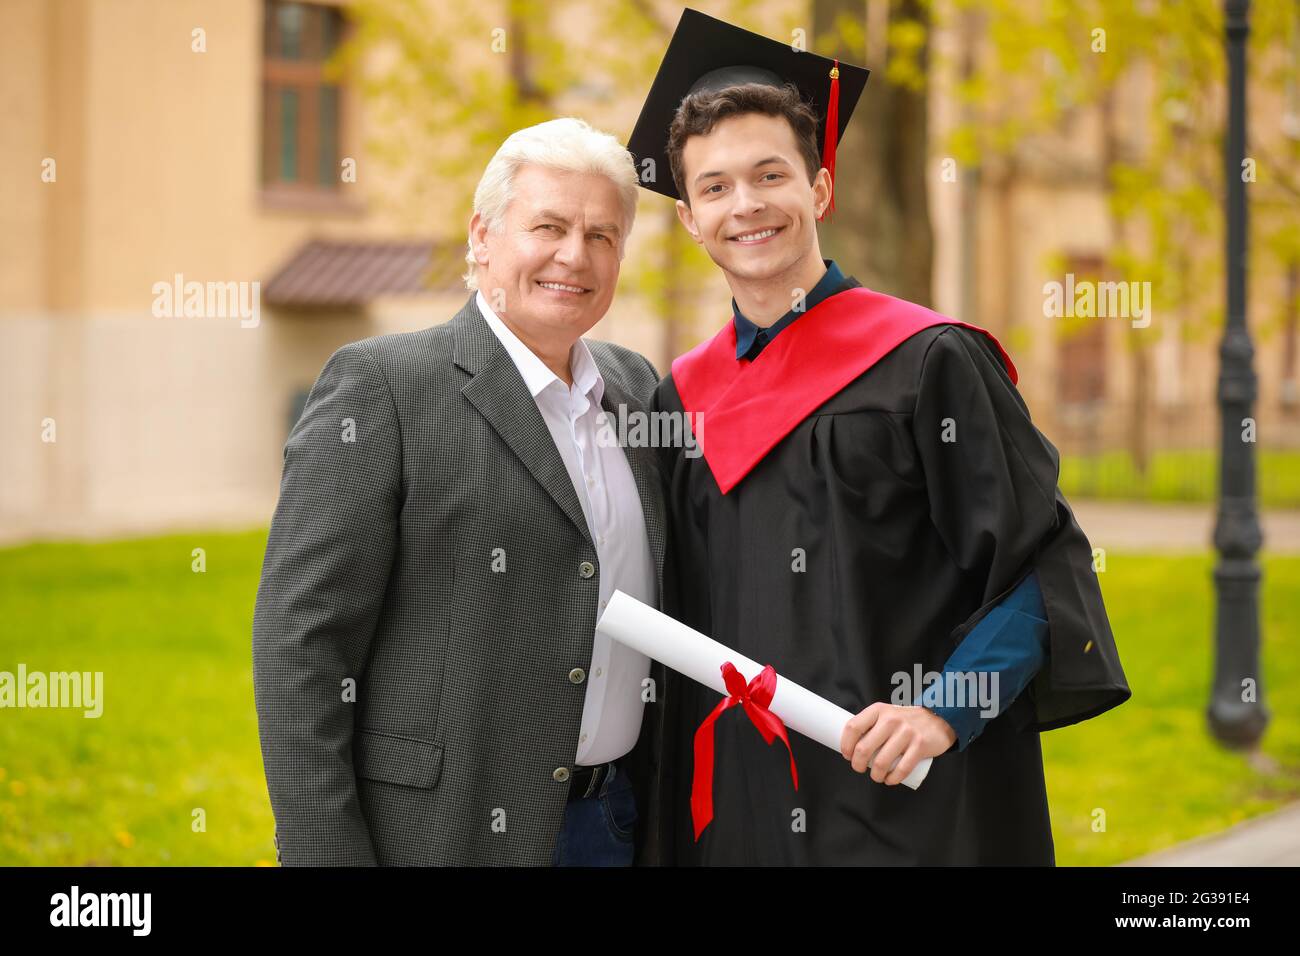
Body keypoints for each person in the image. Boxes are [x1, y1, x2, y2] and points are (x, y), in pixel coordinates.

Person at [623, 9, 1130, 865]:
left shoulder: (929, 363)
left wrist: (941, 710)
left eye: (769, 175)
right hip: (739, 811)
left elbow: (1045, 569)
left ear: (819, 189)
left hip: (899, 806)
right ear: (690, 220)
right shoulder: (681, 399)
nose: (744, 205)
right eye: (713, 188)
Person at [253, 117, 664, 866]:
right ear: (482, 236)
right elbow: (301, 645)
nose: (575, 255)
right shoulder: (382, 388)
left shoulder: (634, 389)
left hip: (617, 825)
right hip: (443, 835)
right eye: (549, 226)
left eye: (602, 235)